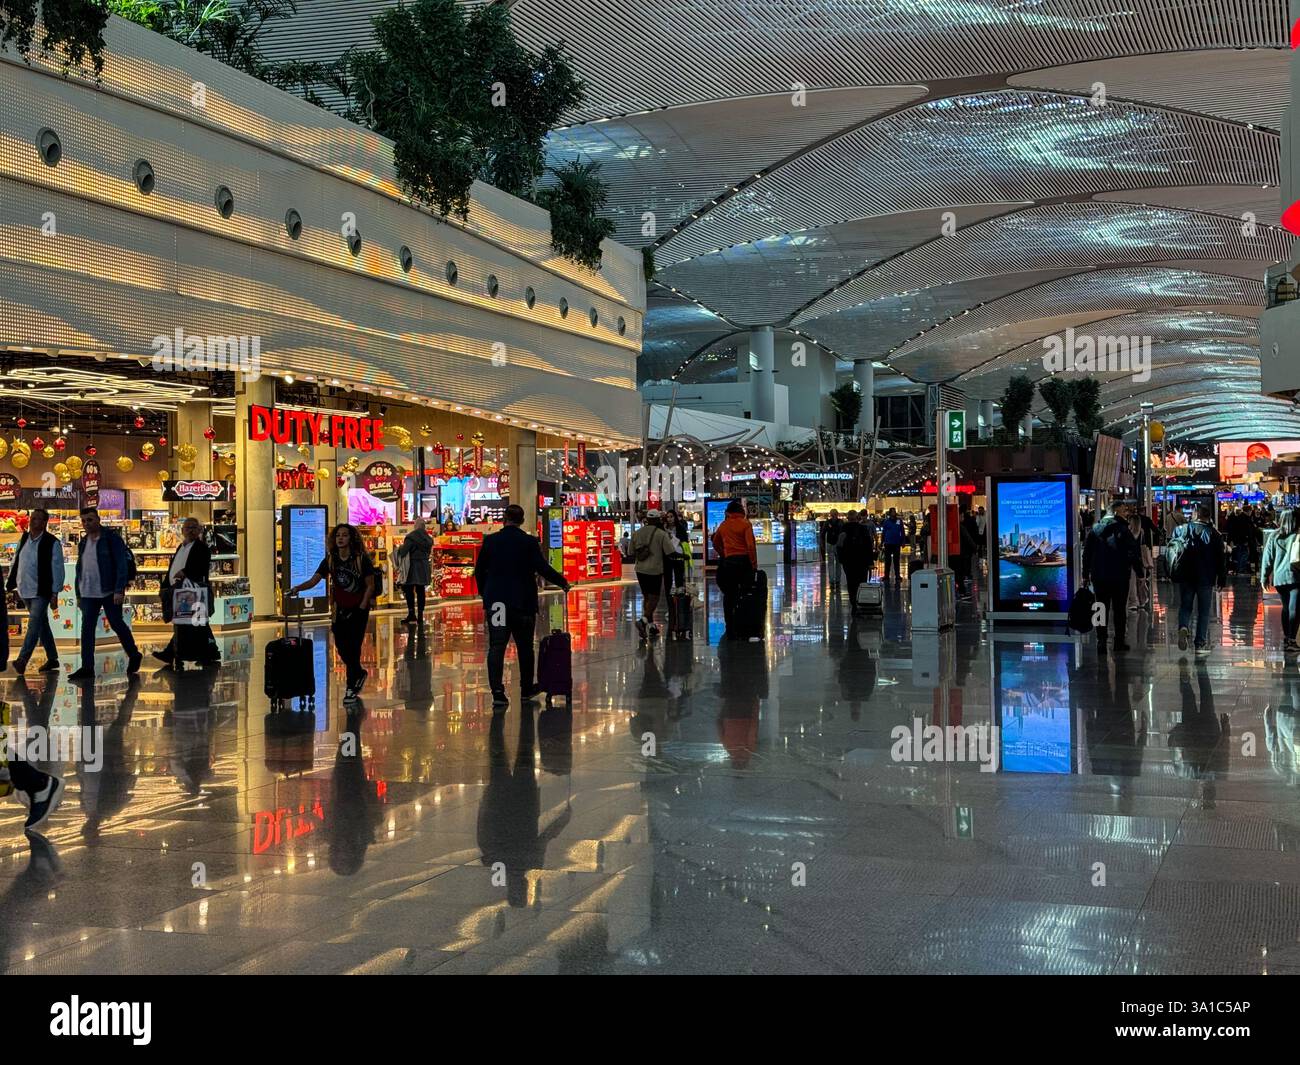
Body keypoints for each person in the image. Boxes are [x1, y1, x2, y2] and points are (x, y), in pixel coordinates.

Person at [472, 503, 570, 710]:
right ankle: (526, 689)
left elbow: (479, 571)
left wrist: (486, 594)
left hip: (497, 603)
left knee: (497, 646)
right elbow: (542, 567)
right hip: (522, 602)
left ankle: (497, 692)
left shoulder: (490, 541)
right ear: (522, 520)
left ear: (504, 519)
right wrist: (562, 581)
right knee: (525, 647)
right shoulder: (528, 542)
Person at [288, 523, 377, 700]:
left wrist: (362, 606)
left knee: (353, 647)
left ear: (351, 538)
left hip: (358, 609)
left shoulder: (360, 559)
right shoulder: (331, 559)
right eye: (338, 536)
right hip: (339, 609)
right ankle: (359, 673)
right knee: (342, 647)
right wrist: (298, 588)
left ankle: (351, 686)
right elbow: (315, 580)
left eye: (344, 535)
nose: (340, 538)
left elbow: (370, 585)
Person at [69, 507, 141, 681]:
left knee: (116, 623)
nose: (87, 524)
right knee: (87, 629)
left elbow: (121, 564)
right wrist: (78, 593)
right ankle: (87, 667)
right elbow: (80, 568)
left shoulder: (111, 538)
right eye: (84, 520)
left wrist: (119, 589)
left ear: (98, 519)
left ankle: (134, 654)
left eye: (90, 520)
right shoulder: (84, 542)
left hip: (109, 590)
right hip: (88, 592)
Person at [154, 515, 220, 667]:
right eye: (188, 528)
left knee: (190, 622)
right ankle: (206, 652)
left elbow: (201, 567)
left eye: (194, 528)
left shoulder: (201, 548)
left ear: (199, 531)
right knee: (187, 621)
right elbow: (173, 567)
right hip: (178, 590)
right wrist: (165, 585)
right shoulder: (181, 546)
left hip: (191, 591)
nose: (191, 531)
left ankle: (174, 653)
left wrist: (185, 572)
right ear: (182, 530)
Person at [5, 507, 65, 674]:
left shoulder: (52, 542)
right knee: (41, 624)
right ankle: (52, 658)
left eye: (38, 518)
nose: (33, 521)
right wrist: (10, 582)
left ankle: (22, 659)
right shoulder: (24, 539)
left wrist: (55, 592)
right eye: (33, 518)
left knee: (33, 624)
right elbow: (16, 561)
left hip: (42, 591)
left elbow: (58, 568)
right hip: (25, 588)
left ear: (45, 522)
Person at [1082, 501, 1143, 654]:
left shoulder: (1095, 529)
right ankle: (1119, 641)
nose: (1126, 514)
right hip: (1120, 576)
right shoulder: (1123, 529)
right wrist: (1141, 573)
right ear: (1115, 512)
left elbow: (1087, 554)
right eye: (1123, 511)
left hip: (1099, 576)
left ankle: (1101, 640)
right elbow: (1133, 553)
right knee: (1119, 610)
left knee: (1100, 607)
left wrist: (1085, 574)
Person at [1171, 503, 1227, 656]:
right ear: (1208, 517)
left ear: (1195, 515)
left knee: (1185, 606)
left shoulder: (1180, 530)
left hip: (1185, 575)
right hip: (1206, 577)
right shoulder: (1214, 534)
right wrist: (1221, 578)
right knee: (1203, 611)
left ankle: (1183, 626)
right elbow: (1221, 558)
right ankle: (1200, 642)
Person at [712, 499, 758, 636]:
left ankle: (730, 627)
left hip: (729, 562)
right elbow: (750, 546)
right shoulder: (746, 524)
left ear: (729, 513)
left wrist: (724, 554)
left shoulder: (723, 525)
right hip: (744, 562)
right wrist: (754, 564)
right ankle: (743, 624)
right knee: (745, 593)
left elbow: (715, 542)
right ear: (741, 511)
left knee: (729, 595)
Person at [630, 509, 678, 639]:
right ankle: (643, 621)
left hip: (640, 570)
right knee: (654, 598)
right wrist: (682, 555)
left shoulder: (636, 533)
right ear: (658, 520)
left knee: (647, 597)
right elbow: (670, 552)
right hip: (655, 570)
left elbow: (630, 552)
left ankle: (651, 627)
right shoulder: (661, 534)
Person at [1260, 508, 1300, 654]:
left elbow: (1267, 558)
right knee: (1295, 609)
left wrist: (1264, 577)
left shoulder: (1274, 536)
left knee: (1286, 607)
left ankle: (1287, 638)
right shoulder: (1298, 535)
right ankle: (1291, 640)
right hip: (1296, 577)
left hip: (1279, 578)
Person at [837, 511, 877, 612]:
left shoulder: (843, 529)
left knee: (851, 582)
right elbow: (868, 546)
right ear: (857, 517)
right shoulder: (863, 529)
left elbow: (839, 545)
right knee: (862, 581)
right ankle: (861, 601)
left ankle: (853, 602)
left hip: (848, 560)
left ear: (848, 518)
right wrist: (870, 562)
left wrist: (841, 559)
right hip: (862, 560)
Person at [398, 517, 433, 626]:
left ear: (415, 525)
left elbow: (403, 552)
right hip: (423, 566)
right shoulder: (428, 538)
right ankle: (421, 615)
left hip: (412, 566)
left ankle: (411, 614)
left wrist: (399, 549)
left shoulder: (411, 537)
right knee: (420, 590)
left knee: (409, 589)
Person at [662, 510, 688, 594]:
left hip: (679, 554)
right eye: (668, 517)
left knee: (679, 573)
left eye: (671, 517)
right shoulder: (664, 528)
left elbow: (684, 541)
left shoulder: (680, 528)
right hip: (668, 554)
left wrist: (672, 536)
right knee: (668, 575)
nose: (669, 519)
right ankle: (668, 591)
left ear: (675, 517)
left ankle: (680, 589)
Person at [822, 509, 845, 590]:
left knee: (831, 564)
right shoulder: (841, 522)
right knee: (838, 564)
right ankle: (837, 581)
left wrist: (822, 545)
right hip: (837, 545)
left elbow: (823, 533)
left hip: (831, 544)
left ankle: (832, 581)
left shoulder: (827, 522)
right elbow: (844, 533)